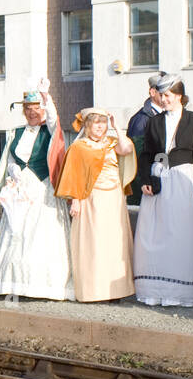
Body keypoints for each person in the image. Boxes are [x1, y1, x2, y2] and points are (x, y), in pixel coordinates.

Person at [0, 82, 72, 301]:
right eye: (28, 110)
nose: (32, 113)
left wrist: (46, 97)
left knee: (40, 235)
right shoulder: (16, 132)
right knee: (16, 232)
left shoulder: (50, 131)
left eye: (36, 109)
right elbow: (10, 158)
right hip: (21, 190)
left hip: (43, 189)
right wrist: (13, 170)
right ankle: (13, 283)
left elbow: (53, 120)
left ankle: (41, 286)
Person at [133, 75, 193, 307]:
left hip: (185, 179)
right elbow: (146, 153)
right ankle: (154, 290)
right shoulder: (154, 122)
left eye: (167, 95)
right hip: (159, 179)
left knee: (182, 233)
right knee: (154, 233)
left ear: (179, 96)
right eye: (161, 95)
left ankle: (180, 292)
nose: (163, 100)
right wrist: (146, 178)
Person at [56, 108, 137, 301]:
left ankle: (116, 290)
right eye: (96, 122)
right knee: (95, 243)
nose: (100, 126)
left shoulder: (111, 143)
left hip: (114, 199)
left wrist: (117, 128)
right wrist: (75, 200)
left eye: (103, 122)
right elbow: (74, 174)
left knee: (114, 243)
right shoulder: (79, 147)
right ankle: (95, 289)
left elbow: (127, 149)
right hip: (92, 199)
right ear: (87, 125)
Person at [126, 72, 165, 206]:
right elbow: (137, 159)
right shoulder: (142, 120)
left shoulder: (165, 115)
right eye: (163, 91)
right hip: (147, 189)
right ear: (152, 92)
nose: (167, 96)